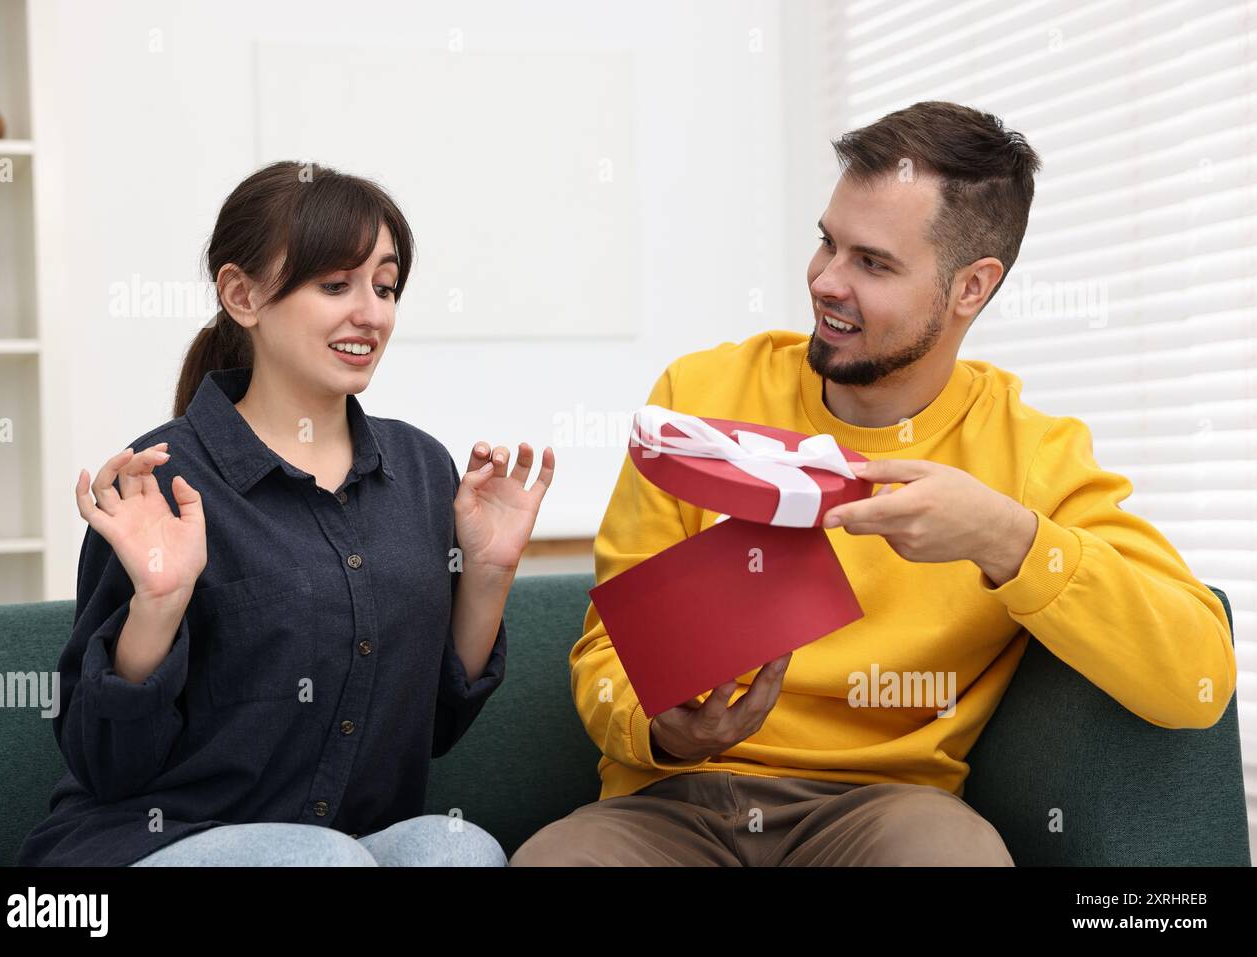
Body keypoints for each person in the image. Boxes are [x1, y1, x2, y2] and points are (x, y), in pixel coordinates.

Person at [511, 101, 1235, 866]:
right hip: (671, 805)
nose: (826, 280)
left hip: (883, 812)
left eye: (873, 262)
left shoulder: (1031, 455)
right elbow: (609, 653)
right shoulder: (698, 400)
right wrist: (661, 727)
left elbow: (1195, 679)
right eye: (828, 243)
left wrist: (1004, 538)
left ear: (971, 288)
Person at [17, 160, 554, 867]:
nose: (371, 312)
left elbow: (431, 730)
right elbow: (107, 764)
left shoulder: (423, 471)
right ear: (242, 295)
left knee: (456, 848)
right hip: (152, 845)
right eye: (335, 285)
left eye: (385, 286)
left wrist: (486, 574)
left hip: (347, 847)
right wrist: (159, 603)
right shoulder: (161, 478)